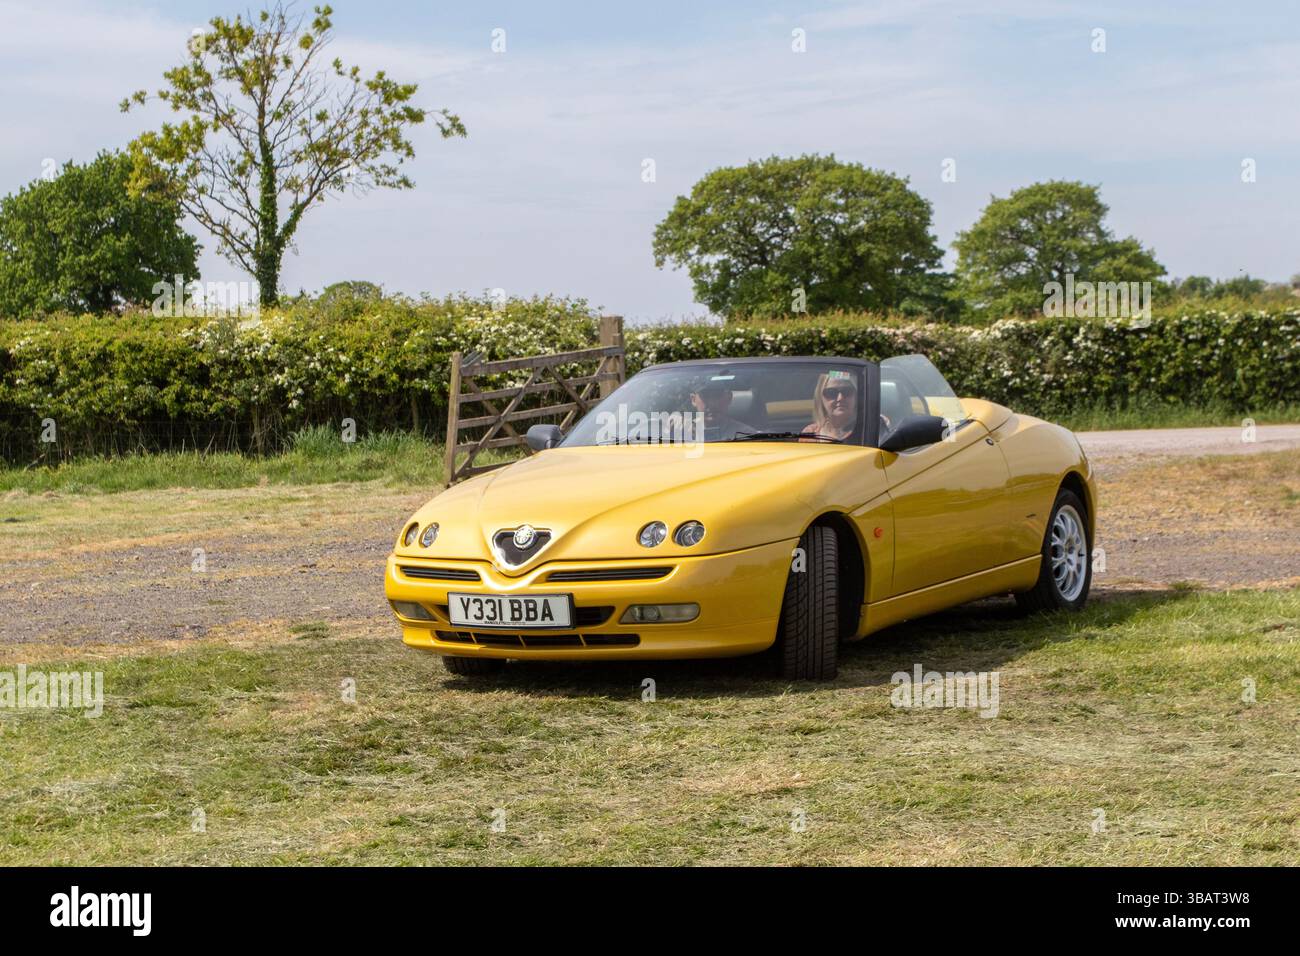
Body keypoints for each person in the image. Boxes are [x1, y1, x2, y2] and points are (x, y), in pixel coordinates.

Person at [801, 372, 862, 442]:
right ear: (820, 398)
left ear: (856, 396)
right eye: (831, 392)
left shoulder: (867, 431)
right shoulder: (810, 434)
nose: (840, 398)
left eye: (847, 391)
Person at [689, 380, 755, 440]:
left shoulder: (747, 435)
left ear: (729, 398)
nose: (712, 403)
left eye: (717, 395)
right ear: (693, 400)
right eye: (705, 396)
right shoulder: (684, 434)